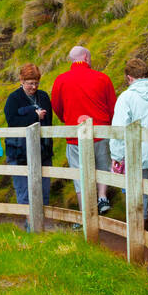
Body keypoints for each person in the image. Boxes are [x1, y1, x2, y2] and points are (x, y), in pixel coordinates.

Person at [50, 45, 117, 215]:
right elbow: (112, 107)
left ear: (72, 60)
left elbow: (56, 106)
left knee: (79, 173)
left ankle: (84, 213)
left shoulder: (61, 80)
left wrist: (68, 120)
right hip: (100, 131)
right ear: (86, 57)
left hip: (75, 135)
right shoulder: (102, 78)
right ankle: (102, 197)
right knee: (103, 166)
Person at [109, 58, 148, 225]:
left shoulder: (127, 97)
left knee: (137, 195)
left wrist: (117, 156)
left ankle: (140, 230)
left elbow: (119, 129)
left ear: (129, 78)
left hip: (136, 155)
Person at [3, 64, 53, 208]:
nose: (33, 87)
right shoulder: (13, 98)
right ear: (22, 81)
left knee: (44, 191)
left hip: (42, 151)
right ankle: (28, 227)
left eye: (36, 83)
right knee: (24, 192)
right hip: (19, 152)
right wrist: (34, 115)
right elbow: (12, 122)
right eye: (30, 83)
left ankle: (41, 228)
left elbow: (48, 123)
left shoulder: (43, 96)